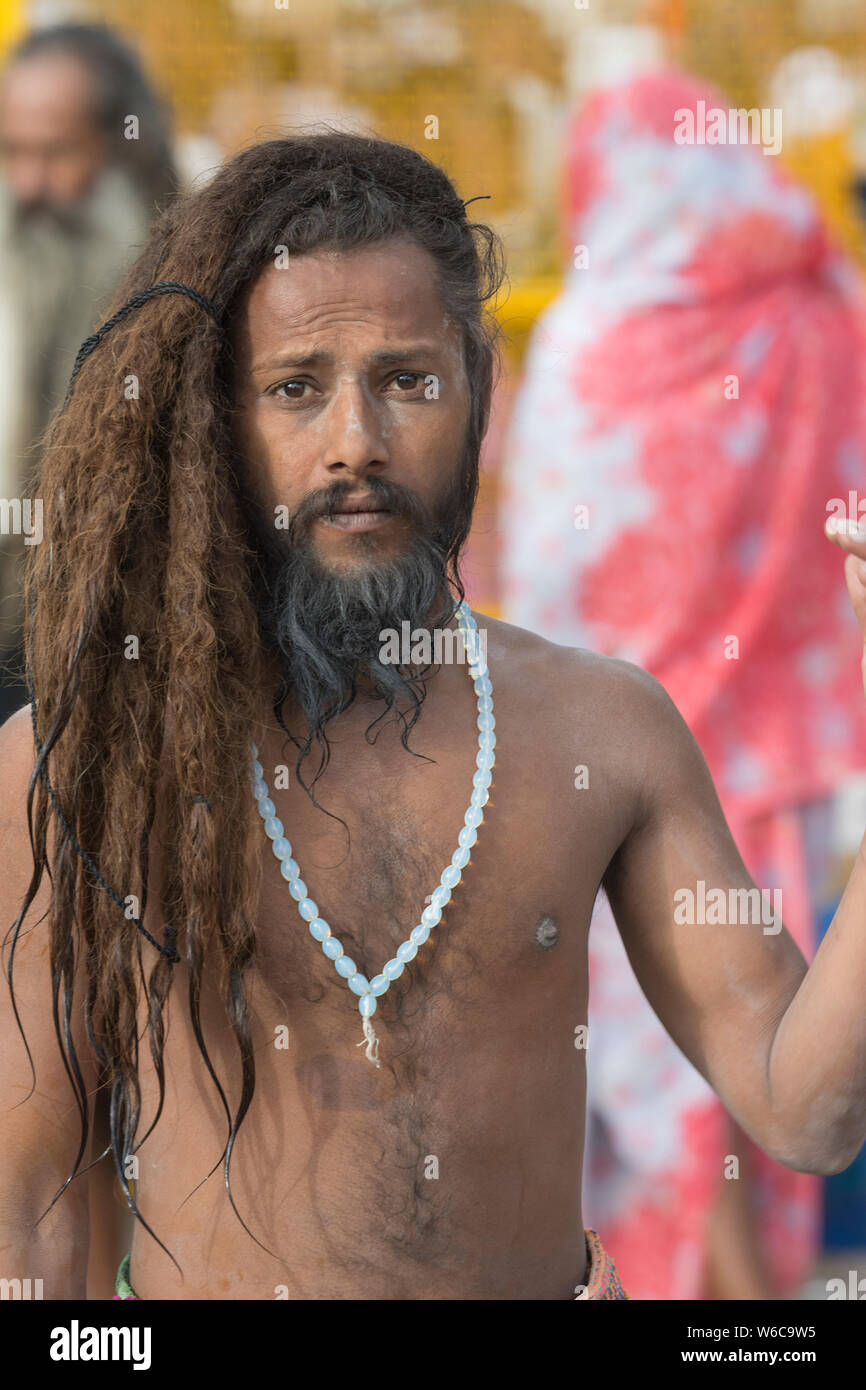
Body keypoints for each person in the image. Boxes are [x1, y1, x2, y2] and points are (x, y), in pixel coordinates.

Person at [2, 129, 866, 1303]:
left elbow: (804, 1106)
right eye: (295, 387)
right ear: (217, 417)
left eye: (406, 380)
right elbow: (28, 1211)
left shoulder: (601, 731)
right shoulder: (83, 759)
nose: (356, 441)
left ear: (477, 385)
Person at [498, 70, 866, 1298]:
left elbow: (545, 574)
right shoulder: (822, 317)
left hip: (605, 763)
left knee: (665, 1055)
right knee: (778, 1035)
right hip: (769, 759)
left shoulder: (588, 337)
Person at [0, 22, 178, 726]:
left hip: (119, 653)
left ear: (123, 146)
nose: (29, 184)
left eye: (56, 153)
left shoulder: (181, 274)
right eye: (12, 152)